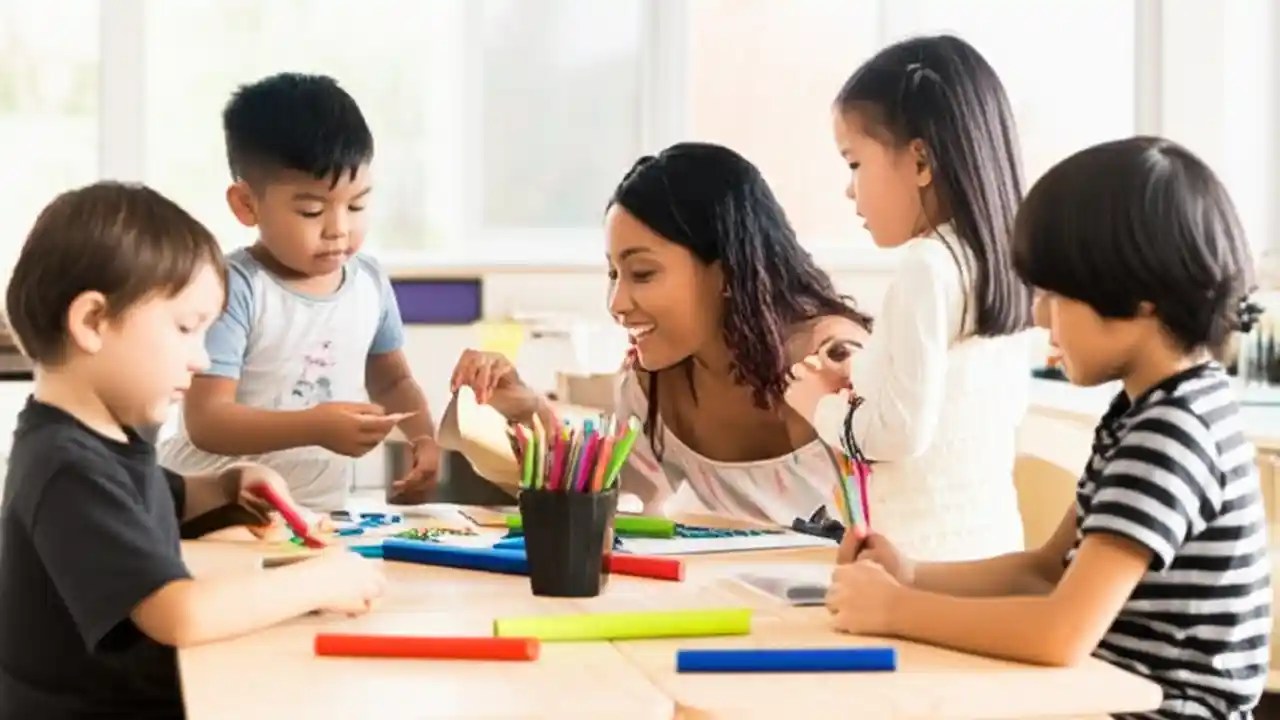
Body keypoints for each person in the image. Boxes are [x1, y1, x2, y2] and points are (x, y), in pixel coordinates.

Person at [826, 137, 1270, 719]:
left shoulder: (1172, 432)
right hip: (1099, 695)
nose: (1037, 316)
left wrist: (895, 611)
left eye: (1058, 295)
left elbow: (1062, 632)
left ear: (1140, 299)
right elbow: (1044, 571)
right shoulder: (1146, 411)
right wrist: (910, 577)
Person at [0, 182, 385, 718]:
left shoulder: (97, 440)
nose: (201, 359)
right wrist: (318, 579)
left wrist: (228, 486)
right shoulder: (66, 466)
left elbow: (156, 498)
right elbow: (180, 614)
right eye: (185, 329)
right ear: (92, 321)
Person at [450, 142, 872, 525]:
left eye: (642, 273)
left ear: (726, 272)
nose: (616, 302)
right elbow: (612, 506)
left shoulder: (836, 366)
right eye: (613, 274)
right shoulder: (651, 384)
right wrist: (528, 410)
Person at [787, 35, 1034, 561]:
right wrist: (861, 378)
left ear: (921, 161)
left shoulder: (926, 268)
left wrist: (819, 406)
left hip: (920, 566)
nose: (849, 191)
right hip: (988, 554)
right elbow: (949, 409)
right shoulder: (993, 263)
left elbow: (898, 435)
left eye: (854, 164)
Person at [158, 72, 439, 511]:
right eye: (311, 210)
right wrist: (315, 426)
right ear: (246, 205)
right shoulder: (234, 288)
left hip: (320, 511)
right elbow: (207, 421)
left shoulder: (368, 284)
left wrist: (423, 438)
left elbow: (393, 380)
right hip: (214, 509)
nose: (339, 229)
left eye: (358, 204)